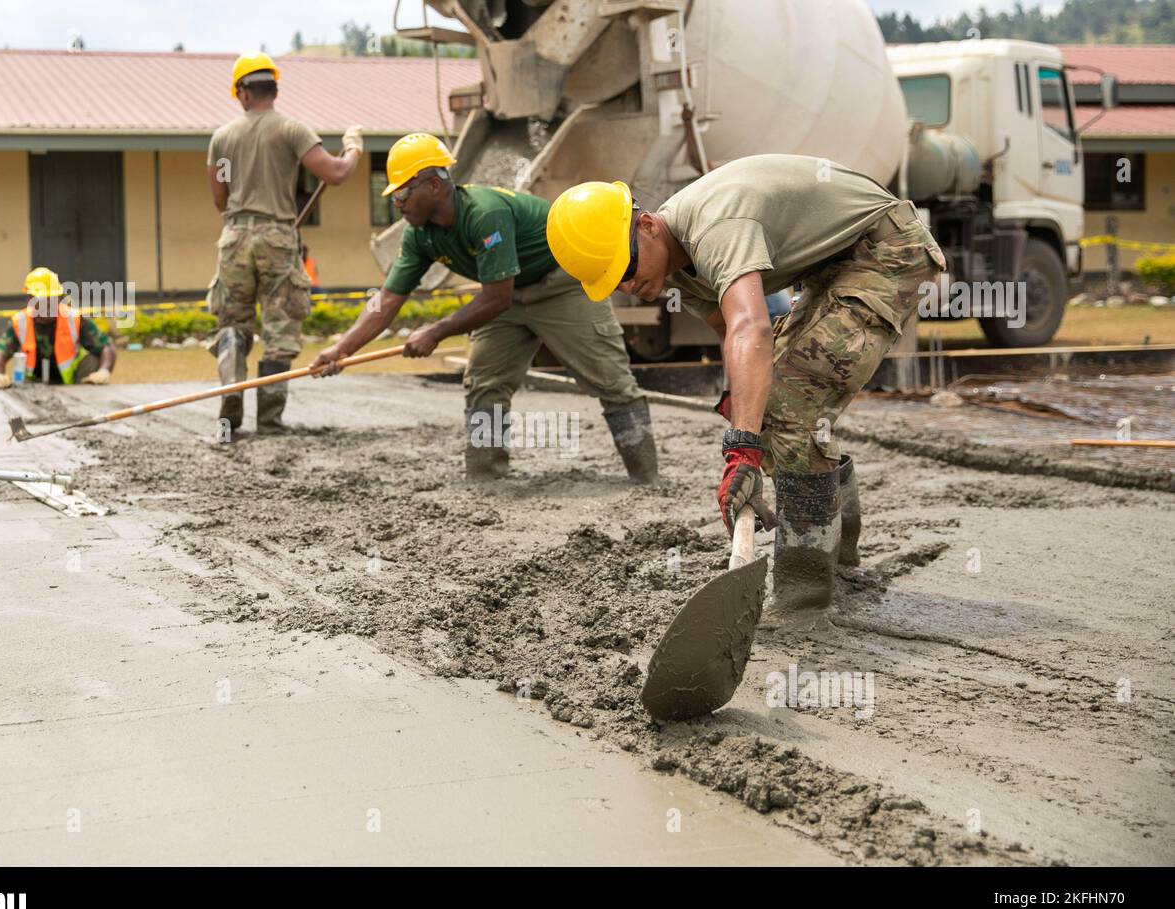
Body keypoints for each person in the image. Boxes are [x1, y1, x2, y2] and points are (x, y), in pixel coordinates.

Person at [547, 154, 946, 610]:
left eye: (626, 267)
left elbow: (751, 328)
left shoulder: (714, 228)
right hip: (832, 266)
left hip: (886, 249)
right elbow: (727, 332)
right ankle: (842, 565)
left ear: (648, 226)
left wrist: (744, 448)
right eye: (612, 281)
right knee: (768, 410)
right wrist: (741, 427)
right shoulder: (678, 267)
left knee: (789, 407)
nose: (626, 285)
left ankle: (805, 597)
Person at [310, 133, 658, 482]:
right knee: (484, 384)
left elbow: (495, 297)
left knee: (612, 381)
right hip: (504, 297)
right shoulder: (419, 235)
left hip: (558, 286)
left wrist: (435, 332)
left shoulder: (484, 213)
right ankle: (486, 482)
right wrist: (341, 349)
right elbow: (386, 301)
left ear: (432, 186)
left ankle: (647, 480)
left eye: (402, 192)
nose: (397, 203)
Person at [206, 51, 364, 433]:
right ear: (273, 88)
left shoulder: (223, 139)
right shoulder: (292, 131)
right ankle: (271, 420)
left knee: (233, 322)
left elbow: (220, 198)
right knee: (279, 331)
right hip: (277, 237)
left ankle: (231, 385)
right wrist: (354, 145)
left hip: (235, 238)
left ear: (243, 93)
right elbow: (338, 172)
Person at [0, 267, 114, 387]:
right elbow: (1, 352)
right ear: (30, 299)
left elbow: (105, 347)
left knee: (91, 359)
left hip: (72, 383)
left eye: (54, 298)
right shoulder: (19, 321)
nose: (50, 303)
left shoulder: (74, 318)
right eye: (44, 299)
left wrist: (104, 370)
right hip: (33, 382)